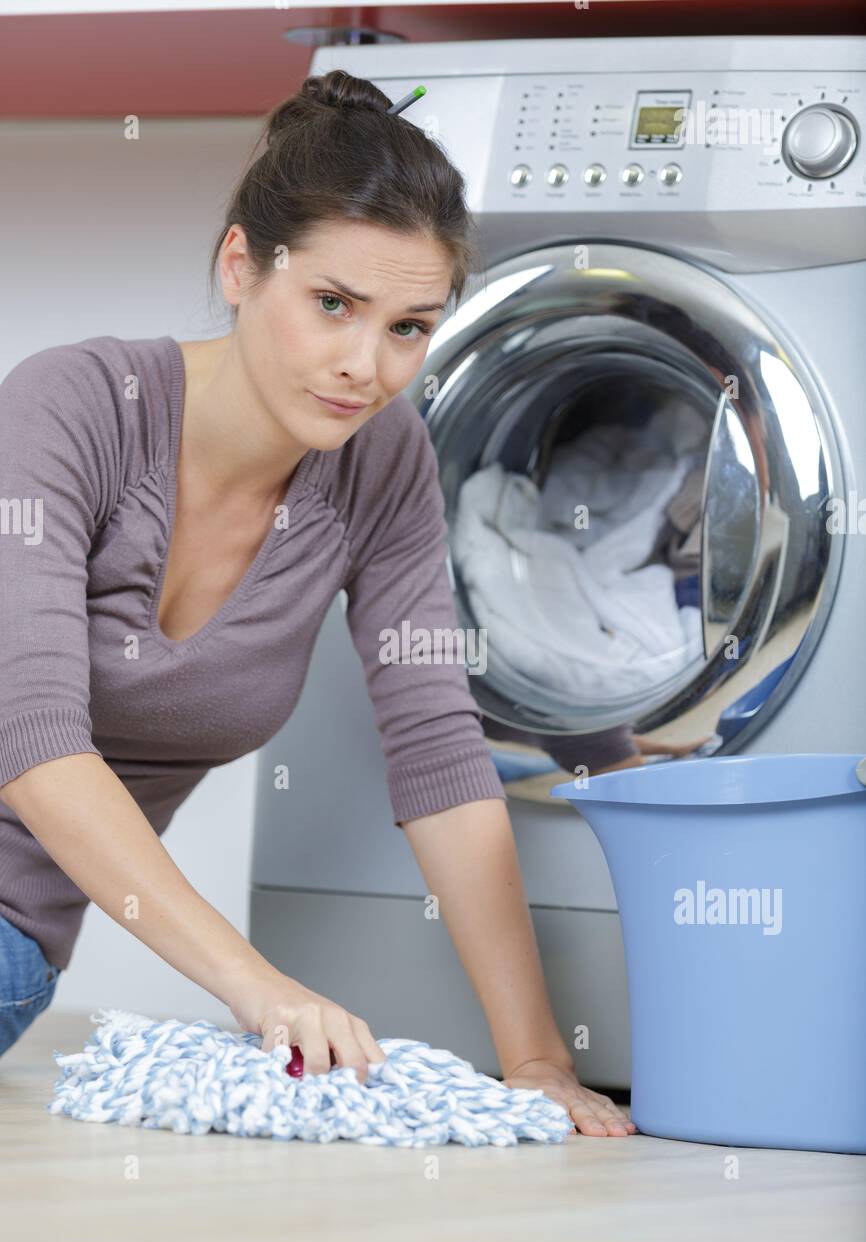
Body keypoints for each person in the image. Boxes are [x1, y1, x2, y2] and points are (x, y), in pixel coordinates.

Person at [0, 69, 637, 1138]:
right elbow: (32, 741)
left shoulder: (381, 466)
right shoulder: (70, 407)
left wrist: (534, 1057)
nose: (363, 366)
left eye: (408, 326)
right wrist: (257, 986)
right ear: (242, 266)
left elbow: (438, 754)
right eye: (332, 305)